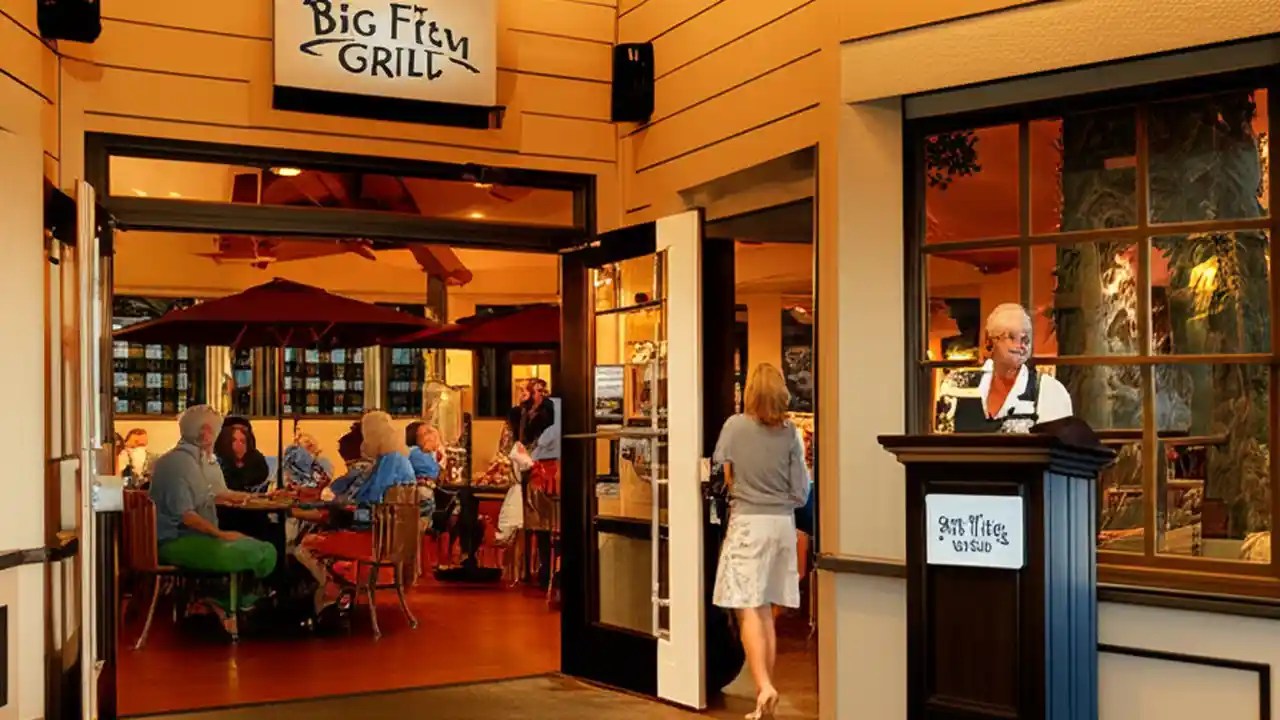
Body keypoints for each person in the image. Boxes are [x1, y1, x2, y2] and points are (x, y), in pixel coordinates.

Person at [711, 364, 810, 720]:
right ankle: (762, 700)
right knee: (766, 610)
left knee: (747, 608)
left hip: (748, 525)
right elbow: (801, 492)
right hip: (782, 526)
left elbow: (724, 473)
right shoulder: (791, 434)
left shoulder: (734, 427)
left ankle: (764, 685)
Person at [148, 405, 277, 584]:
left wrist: (258, 498)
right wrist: (221, 534)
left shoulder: (197, 460)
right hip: (175, 542)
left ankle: (232, 600)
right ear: (207, 433)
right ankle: (224, 601)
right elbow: (186, 515)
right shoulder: (177, 463)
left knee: (264, 547)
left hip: (194, 537)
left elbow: (214, 494)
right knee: (261, 552)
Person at [935, 303, 1074, 434]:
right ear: (989, 342)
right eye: (1011, 337)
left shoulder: (1050, 391)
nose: (1021, 345)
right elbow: (942, 443)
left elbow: (1059, 450)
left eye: (1026, 339)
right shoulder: (957, 385)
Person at [214, 421, 271, 493]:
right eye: (234, 440)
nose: (239, 445)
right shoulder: (216, 464)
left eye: (243, 441)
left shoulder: (257, 463)